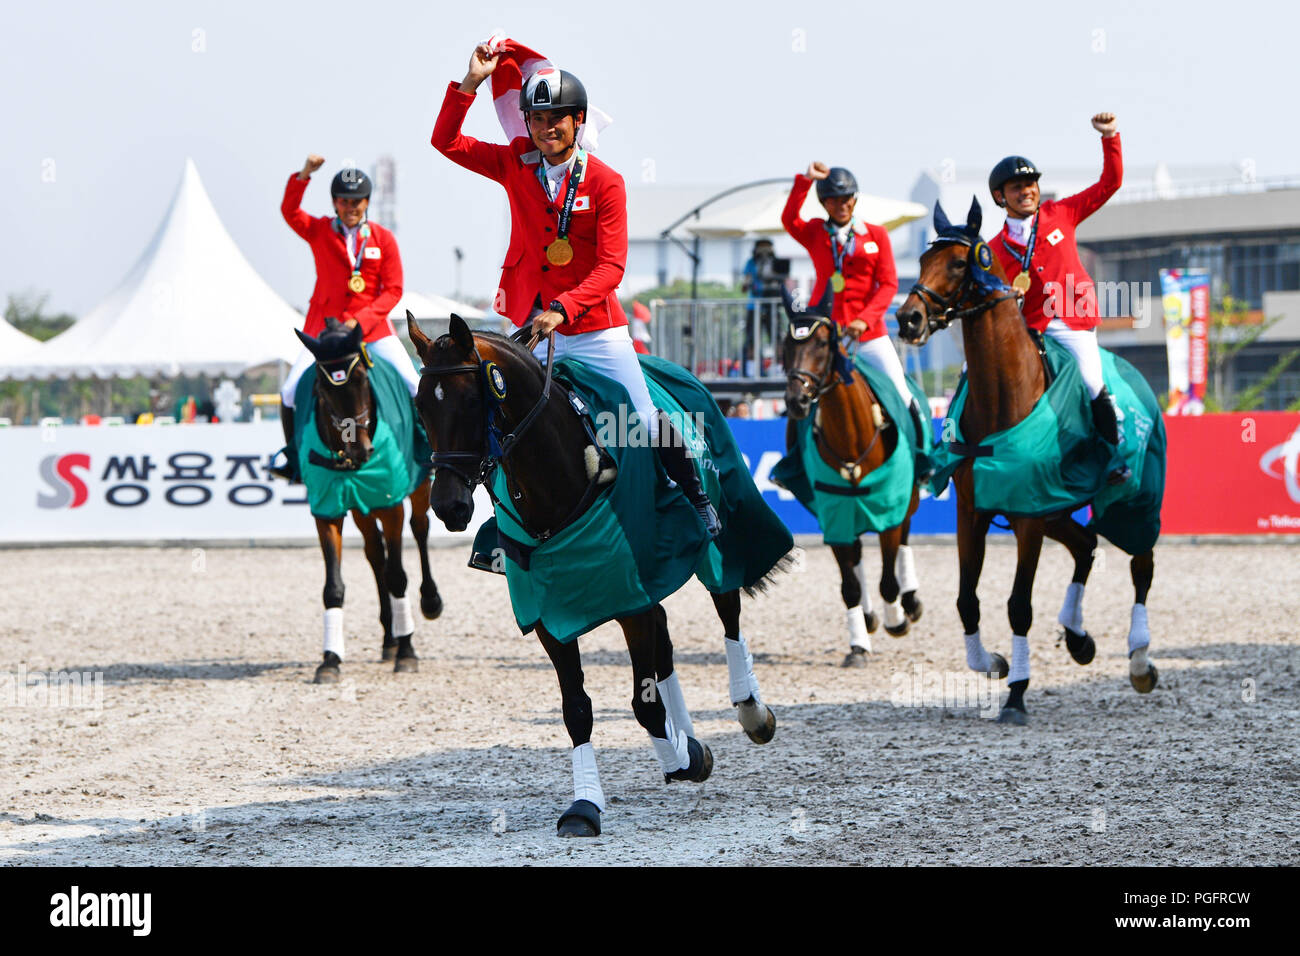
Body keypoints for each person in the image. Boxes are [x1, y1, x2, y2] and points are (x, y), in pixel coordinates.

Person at [432, 42, 720, 537]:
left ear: (578, 120)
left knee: (644, 420)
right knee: (498, 419)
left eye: (557, 119)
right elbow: (447, 142)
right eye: (537, 119)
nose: (547, 128)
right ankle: (507, 531)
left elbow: (611, 267)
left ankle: (695, 499)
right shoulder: (514, 164)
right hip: (531, 327)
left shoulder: (607, 182)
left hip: (594, 330)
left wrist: (562, 310)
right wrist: (471, 83)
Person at [987, 111, 1129, 483]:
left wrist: (1109, 137)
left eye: (1031, 183)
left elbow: (1110, 182)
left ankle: (1112, 457)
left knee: (1090, 381)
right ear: (1000, 197)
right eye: (1017, 187)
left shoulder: (1061, 213)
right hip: (1030, 327)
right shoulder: (994, 249)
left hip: (1072, 322)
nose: (1027, 190)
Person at [781, 162, 929, 475]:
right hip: (828, 334)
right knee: (802, 394)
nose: (842, 204)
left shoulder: (876, 234)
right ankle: (792, 465)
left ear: (855, 198)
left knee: (902, 394)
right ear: (824, 204)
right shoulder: (814, 234)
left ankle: (923, 458)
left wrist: (865, 319)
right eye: (834, 200)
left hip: (870, 333)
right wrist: (806, 180)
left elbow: (888, 283)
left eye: (847, 197)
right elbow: (789, 219)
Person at [271, 156, 410, 482]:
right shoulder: (319, 230)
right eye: (345, 201)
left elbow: (393, 290)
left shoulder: (383, 239)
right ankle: (292, 458)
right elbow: (289, 212)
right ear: (335, 202)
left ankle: (425, 450)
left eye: (357, 201)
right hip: (323, 330)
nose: (351, 207)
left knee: (415, 384)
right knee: (290, 390)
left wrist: (360, 321)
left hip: (372, 330)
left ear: (367, 202)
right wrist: (303, 174)